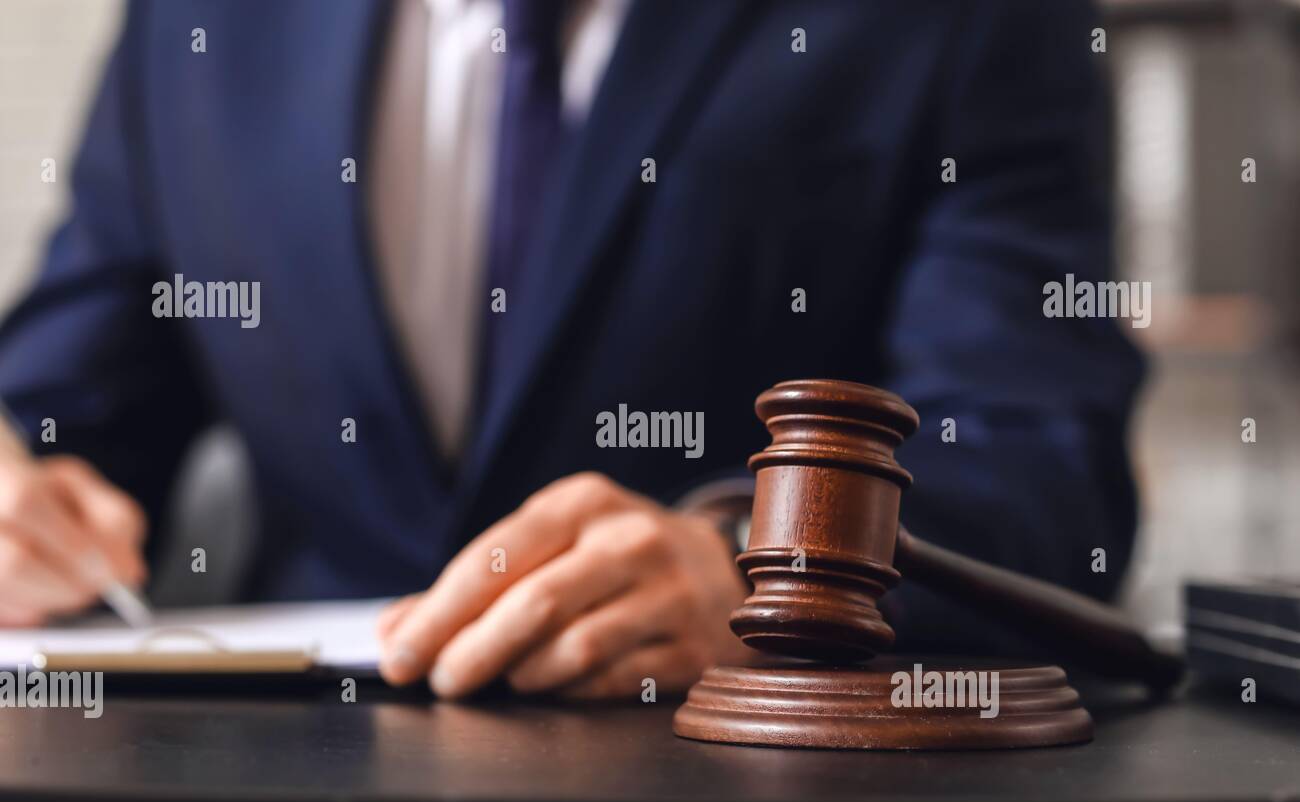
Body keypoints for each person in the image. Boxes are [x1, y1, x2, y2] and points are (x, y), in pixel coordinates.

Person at [0, 0, 1143, 699]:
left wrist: (759, 566)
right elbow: (64, 403)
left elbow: (1038, 465)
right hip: (275, 794)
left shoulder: (967, 15)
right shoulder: (196, 22)